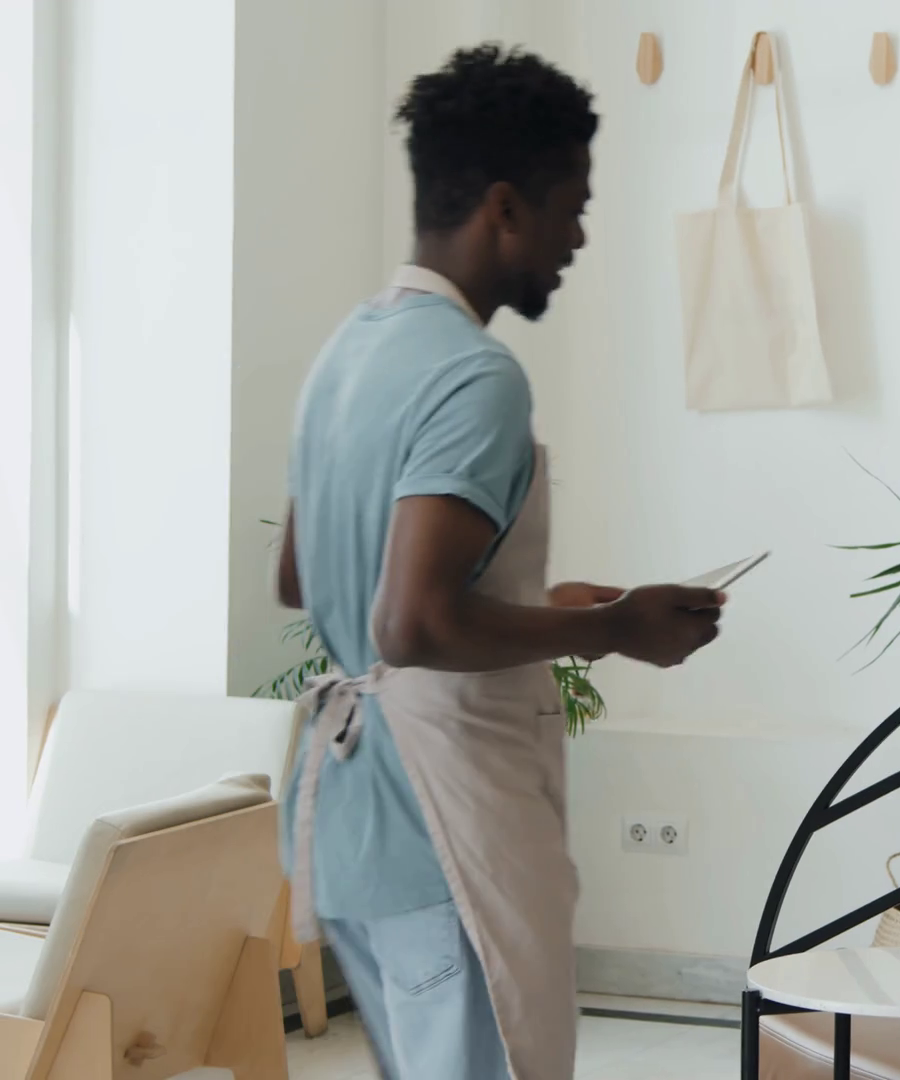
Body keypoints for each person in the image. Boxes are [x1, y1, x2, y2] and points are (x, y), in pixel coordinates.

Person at [274, 45, 724, 1080]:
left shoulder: (348, 349)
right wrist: (615, 628)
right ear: (505, 208)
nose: (579, 237)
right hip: (442, 825)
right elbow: (412, 625)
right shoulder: (476, 377)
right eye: (573, 205)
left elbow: (311, 580)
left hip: (352, 826)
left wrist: (538, 604)